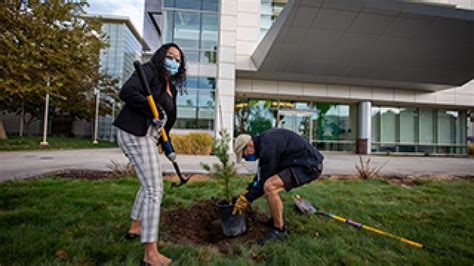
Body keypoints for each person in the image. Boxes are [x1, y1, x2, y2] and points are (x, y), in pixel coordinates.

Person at [113, 43, 186, 266]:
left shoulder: (170, 87)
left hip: (150, 137)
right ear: (161, 56)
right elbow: (126, 92)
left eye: (178, 59)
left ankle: (136, 226)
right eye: (170, 56)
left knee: (148, 185)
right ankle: (150, 254)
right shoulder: (149, 71)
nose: (173, 61)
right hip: (134, 132)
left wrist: (168, 146)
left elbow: (166, 122)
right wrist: (150, 108)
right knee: (155, 188)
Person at [232, 128, 324, 244]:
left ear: (249, 145)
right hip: (298, 163)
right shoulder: (263, 143)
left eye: (244, 154)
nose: (246, 158)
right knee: (269, 186)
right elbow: (261, 175)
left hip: (308, 166)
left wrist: (248, 198)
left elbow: (265, 179)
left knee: (269, 187)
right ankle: (275, 219)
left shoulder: (267, 147)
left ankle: (279, 229)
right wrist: (248, 191)